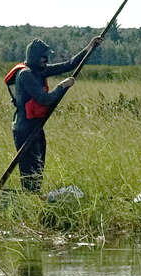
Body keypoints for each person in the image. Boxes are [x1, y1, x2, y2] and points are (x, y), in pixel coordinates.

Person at [6, 36, 103, 192]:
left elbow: (69, 65)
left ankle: (34, 197)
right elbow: (45, 99)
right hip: (24, 130)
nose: (47, 59)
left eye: (47, 56)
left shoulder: (40, 70)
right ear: (35, 57)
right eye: (44, 56)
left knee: (38, 168)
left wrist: (90, 47)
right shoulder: (26, 74)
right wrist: (62, 86)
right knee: (29, 171)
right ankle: (28, 198)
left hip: (36, 127)